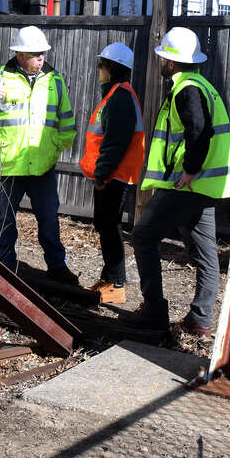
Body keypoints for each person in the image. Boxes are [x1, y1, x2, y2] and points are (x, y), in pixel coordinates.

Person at [120, 27, 230, 337]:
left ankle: (155, 311)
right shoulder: (202, 85)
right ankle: (199, 320)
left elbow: (198, 131)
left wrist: (189, 170)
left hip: (188, 185)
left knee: (144, 237)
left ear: (171, 62)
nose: (160, 61)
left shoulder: (187, 89)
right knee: (206, 254)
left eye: (163, 57)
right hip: (204, 187)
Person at [0, 25, 78, 286]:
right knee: (5, 220)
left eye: (43, 53)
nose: (41, 57)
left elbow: (67, 124)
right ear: (20, 55)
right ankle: (4, 267)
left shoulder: (55, 80)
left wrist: (53, 149)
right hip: (8, 165)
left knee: (49, 218)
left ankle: (57, 267)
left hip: (42, 166)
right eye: (35, 53)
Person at [79, 43, 145, 305]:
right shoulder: (116, 94)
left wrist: (102, 175)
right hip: (114, 174)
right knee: (105, 226)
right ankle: (109, 278)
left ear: (113, 68)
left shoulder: (120, 97)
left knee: (110, 227)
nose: (99, 70)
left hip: (115, 175)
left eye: (102, 65)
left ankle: (116, 283)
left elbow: (115, 142)